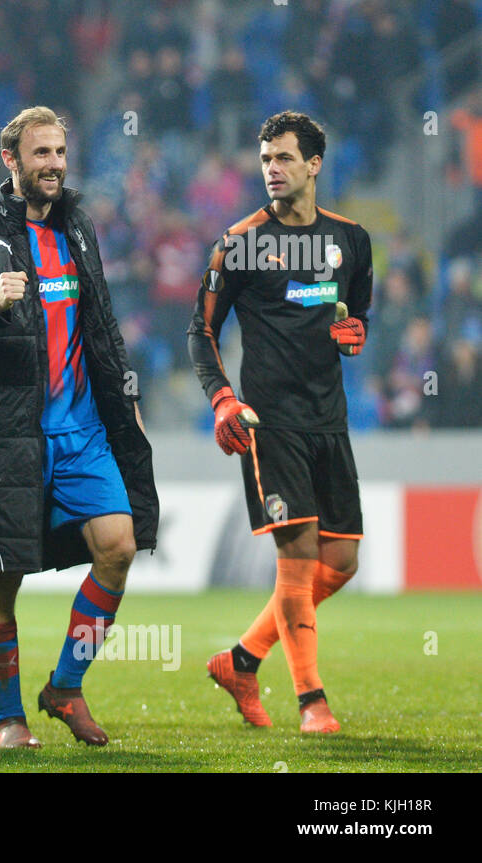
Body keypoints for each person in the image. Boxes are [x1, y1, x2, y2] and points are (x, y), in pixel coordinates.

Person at [0, 106, 158, 749]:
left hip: (83, 428)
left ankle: (65, 685)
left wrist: (124, 399)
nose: (54, 164)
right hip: (11, 434)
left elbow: (104, 324)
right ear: (13, 162)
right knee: (4, 580)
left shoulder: (79, 227)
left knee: (118, 547)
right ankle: (9, 720)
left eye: (60, 152)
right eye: (42, 154)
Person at [189, 111, 371, 733]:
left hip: (331, 421)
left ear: (315, 164)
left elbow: (357, 311)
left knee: (340, 562)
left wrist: (356, 334)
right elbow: (201, 329)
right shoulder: (239, 242)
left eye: (285, 158)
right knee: (295, 559)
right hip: (270, 423)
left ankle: (242, 659)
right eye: (266, 159)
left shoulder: (352, 239)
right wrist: (222, 399)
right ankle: (311, 701)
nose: (272, 169)